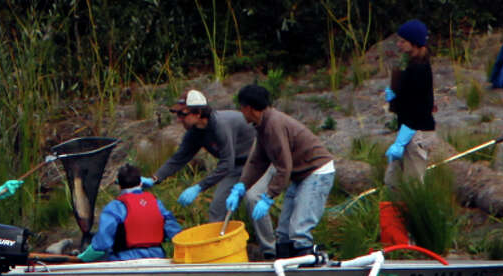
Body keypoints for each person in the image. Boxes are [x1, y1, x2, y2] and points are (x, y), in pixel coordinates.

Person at [145, 89, 276, 259]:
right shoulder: (195, 132)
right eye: (177, 114)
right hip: (236, 167)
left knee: (253, 199)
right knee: (217, 208)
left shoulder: (220, 125)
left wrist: (199, 187)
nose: (179, 119)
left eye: (182, 114)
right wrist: (155, 178)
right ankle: (218, 253)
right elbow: (179, 158)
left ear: (198, 112)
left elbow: (226, 164)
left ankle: (270, 251)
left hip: (261, 163)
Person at [228, 84, 336, 260]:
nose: (241, 112)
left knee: (299, 229)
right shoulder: (261, 125)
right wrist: (242, 185)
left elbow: (284, 166)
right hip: (300, 175)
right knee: (284, 232)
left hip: (317, 172)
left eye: (241, 107)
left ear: (248, 108)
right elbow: (258, 160)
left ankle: (308, 267)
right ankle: (284, 269)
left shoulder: (274, 125)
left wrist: (269, 196)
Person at [381, 19, 437, 245]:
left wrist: (402, 140)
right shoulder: (410, 67)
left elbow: (419, 109)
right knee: (392, 183)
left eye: (403, 41)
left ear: (414, 42)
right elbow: (408, 100)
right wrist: (395, 97)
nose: (400, 45)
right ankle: (396, 237)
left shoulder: (420, 69)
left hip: (417, 133)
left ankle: (418, 238)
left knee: (414, 188)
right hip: (405, 131)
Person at [77, 163, 182, 262]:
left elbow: (102, 243)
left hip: (125, 260)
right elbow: (176, 234)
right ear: (141, 182)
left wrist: (82, 258)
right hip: (157, 257)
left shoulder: (114, 208)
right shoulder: (157, 204)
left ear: (119, 185)